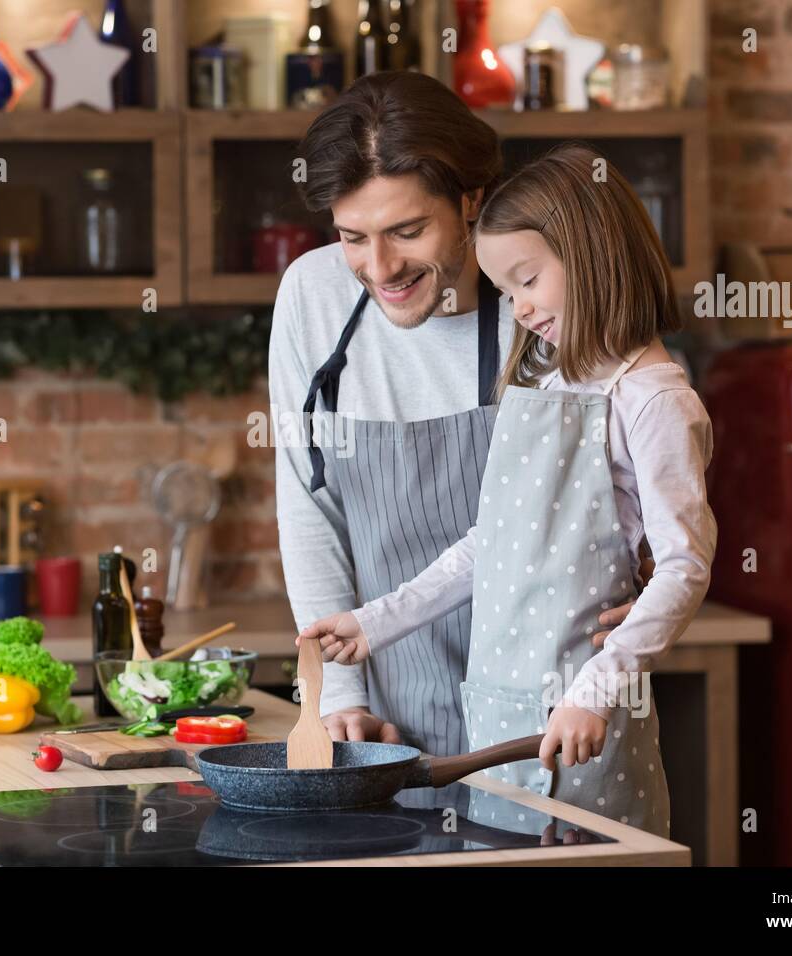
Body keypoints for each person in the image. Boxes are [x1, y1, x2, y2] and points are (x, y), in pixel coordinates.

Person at [297, 144, 717, 836]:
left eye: (526, 280)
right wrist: (376, 623)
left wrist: (595, 693)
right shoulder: (551, 385)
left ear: (593, 255)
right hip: (502, 711)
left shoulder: (654, 400)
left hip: (583, 715)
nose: (518, 308)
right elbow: (487, 544)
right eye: (507, 290)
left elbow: (683, 567)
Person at [269, 73, 639, 808]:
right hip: (388, 732)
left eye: (408, 232)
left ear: (473, 200)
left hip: (555, 725)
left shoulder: (550, 297)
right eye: (352, 237)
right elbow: (310, 511)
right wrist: (340, 694)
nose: (381, 269)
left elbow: (652, 438)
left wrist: (661, 562)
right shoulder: (312, 296)